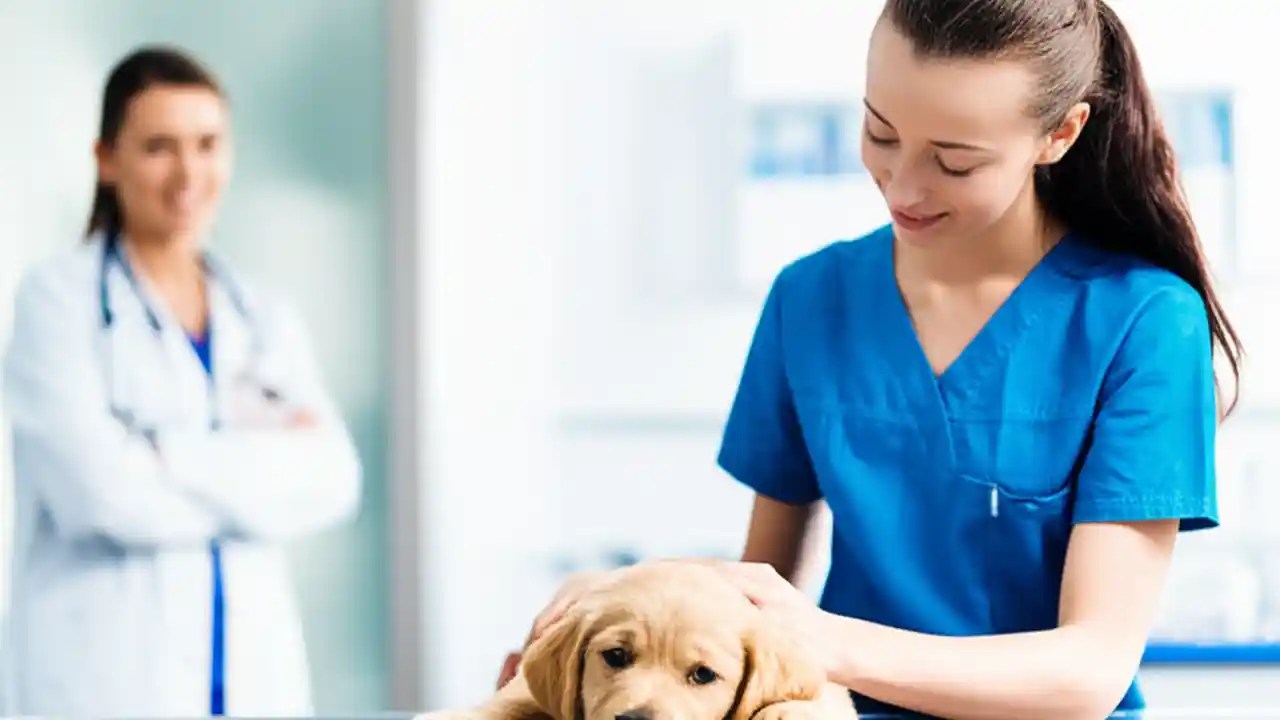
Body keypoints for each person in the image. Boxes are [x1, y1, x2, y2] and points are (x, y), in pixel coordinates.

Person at [501, 1, 1241, 718]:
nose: (904, 186)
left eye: (955, 162)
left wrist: (825, 642)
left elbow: (1087, 674)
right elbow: (759, 586)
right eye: (880, 134)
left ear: (1060, 134)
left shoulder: (1144, 319)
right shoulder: (810, 298)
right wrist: (614, 598)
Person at [0, 46, 361, 717]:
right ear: (107, 160)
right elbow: (99, 497)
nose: (188, 173)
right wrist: (256, 472)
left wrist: (163, 453)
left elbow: (332, 479)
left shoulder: (262, 317)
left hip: (256, 684)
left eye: (207, 143)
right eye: (158, 147)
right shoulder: (56, 303)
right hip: (107, 684)